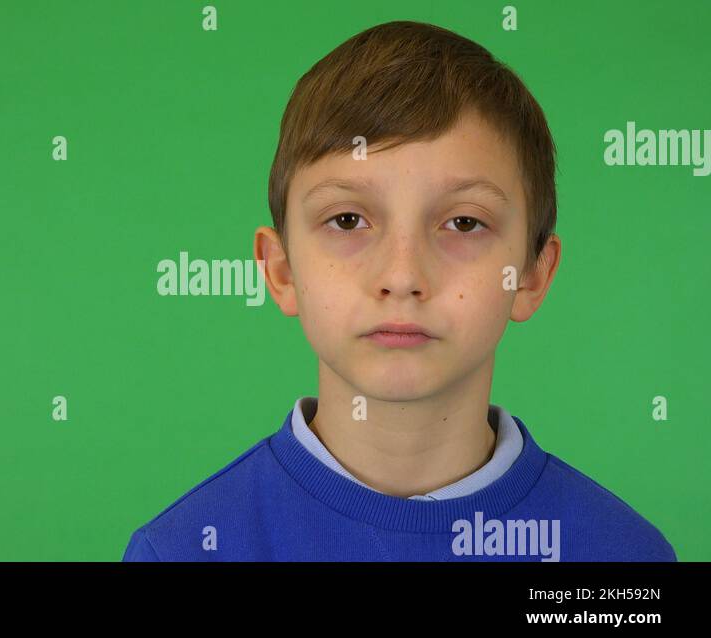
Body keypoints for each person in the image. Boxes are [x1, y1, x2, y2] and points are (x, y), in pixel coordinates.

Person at [122, 20, 676, 562]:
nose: (403, 276)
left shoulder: (624, 558)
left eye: (463, 224)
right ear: (282, 270)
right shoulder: (182, 550)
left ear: (532, 273)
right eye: (346, 220)